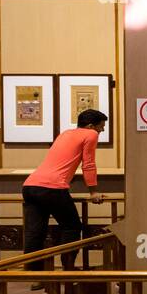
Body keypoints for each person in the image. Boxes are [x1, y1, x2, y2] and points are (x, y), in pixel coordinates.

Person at [22, 108, 106, 271]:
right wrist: (93, 192)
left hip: (30, 186)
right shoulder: (90, 135)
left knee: (35, 232)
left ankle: (34, 275)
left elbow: (61, 163)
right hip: (52, 189)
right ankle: (68, 268)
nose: (101, 130)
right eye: (100, 127)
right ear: (90, 126)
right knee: (72, 227)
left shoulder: (66, 133)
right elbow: (88, 164)